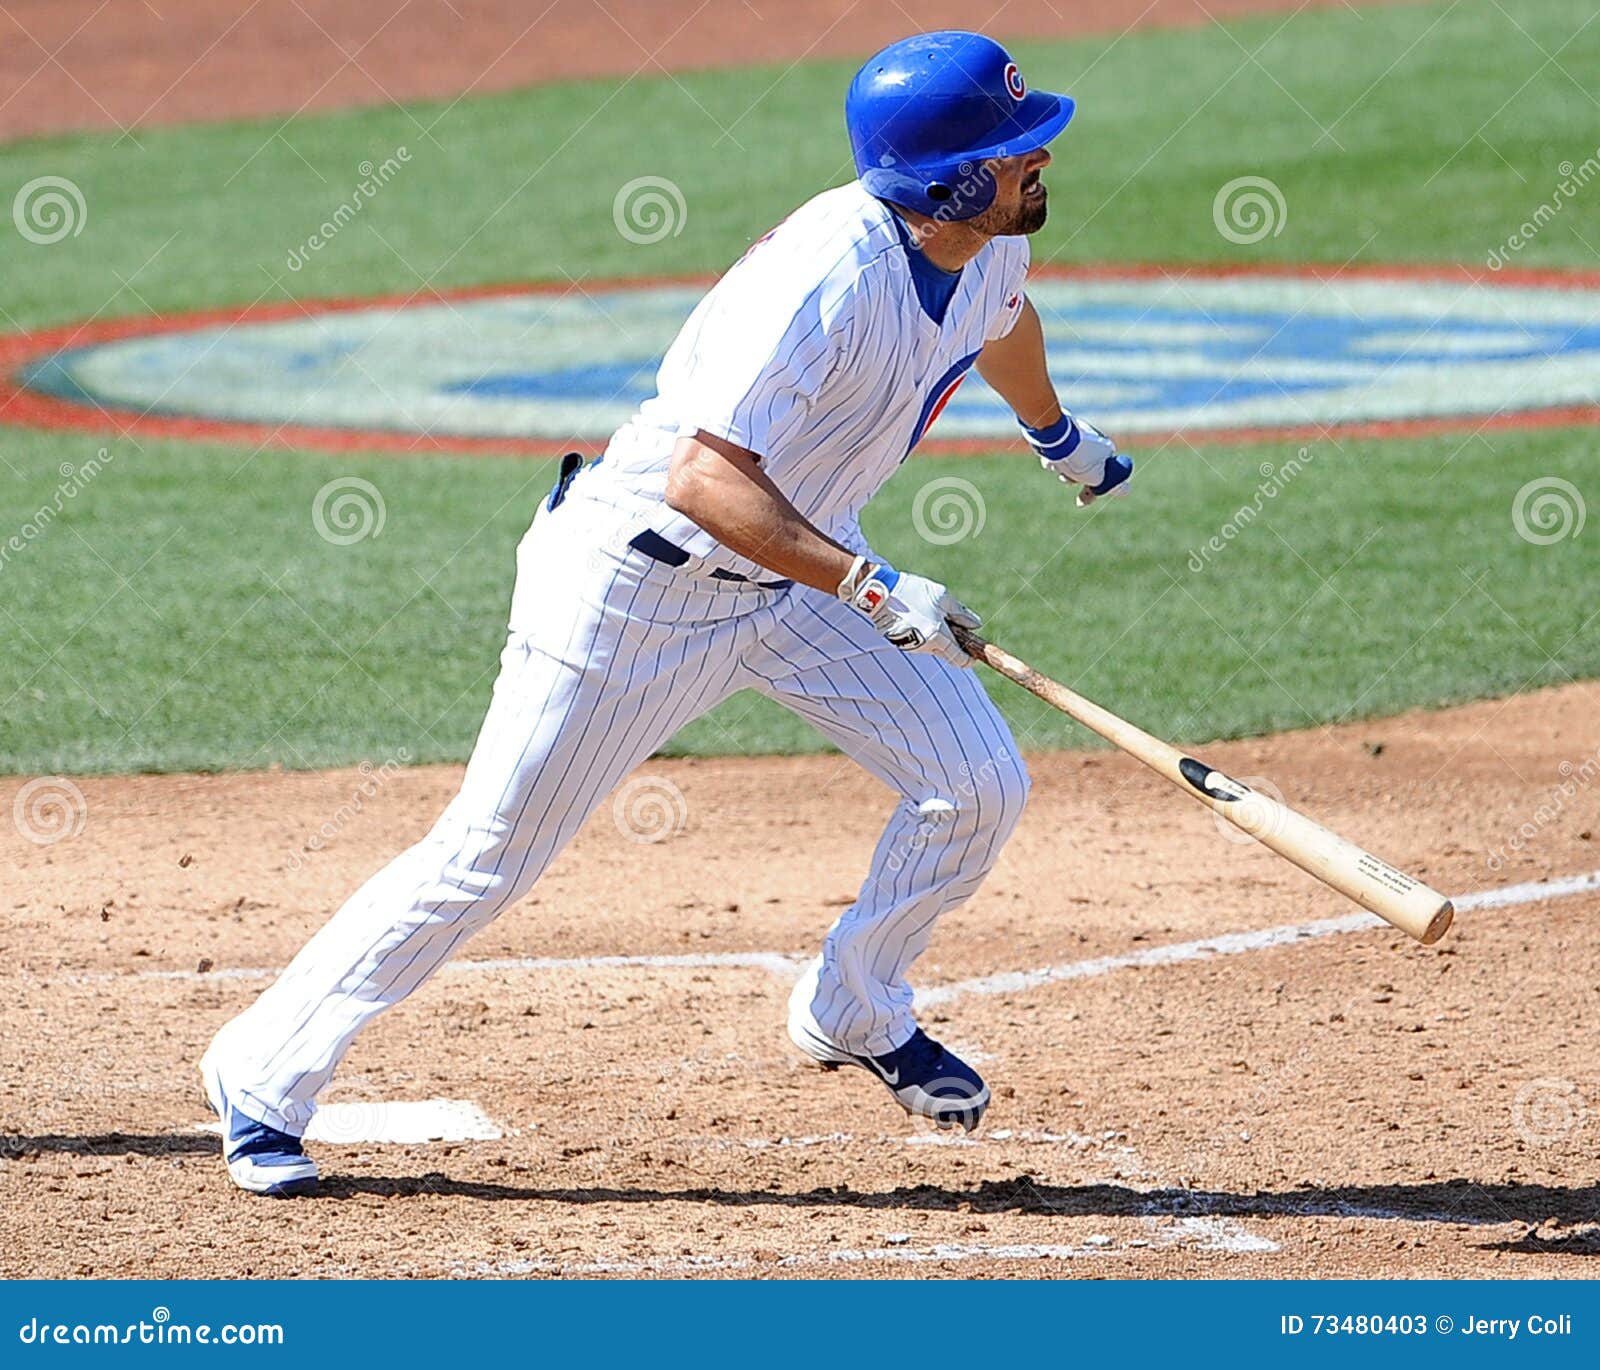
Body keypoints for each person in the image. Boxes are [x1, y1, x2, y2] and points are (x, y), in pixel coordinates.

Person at [201, 29, 1134, 1196]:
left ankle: (854, 1002)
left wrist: (1059, 438)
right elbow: (704, 481)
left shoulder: (977, 243)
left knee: (977, 782)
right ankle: (260, 1071)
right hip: (637, 587)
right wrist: (872, 583)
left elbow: (1004, 321)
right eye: (1014, 150)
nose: (1039, 157)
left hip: (794, 573)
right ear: (944, 181)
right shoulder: (821, 280)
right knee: (484, 855)